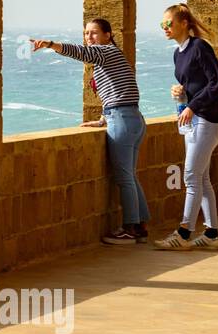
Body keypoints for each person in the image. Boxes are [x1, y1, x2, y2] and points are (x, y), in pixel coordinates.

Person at [31, 19, 149, 244]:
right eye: (86, 33)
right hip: (131, 118)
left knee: (124, 177)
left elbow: (81, 53)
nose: (89, 37)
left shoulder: (105, 52)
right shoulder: (111, 56)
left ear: (108, 35)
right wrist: (104, 119)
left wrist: (50, 44)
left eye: (94, 33)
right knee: (130, 175)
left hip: (123, 120)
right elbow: (121, 92)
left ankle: (129, 229)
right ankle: (141, 226)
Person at [152, 3, 218, 251]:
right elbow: (193, 84)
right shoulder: (178, 53)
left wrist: (193, 106)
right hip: (194, 119)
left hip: (208, 119)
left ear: (184, 23)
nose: (165, 28)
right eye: (162, 24)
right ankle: (212, 233)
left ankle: (184, 233)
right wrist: (180, 92)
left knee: (190, 176)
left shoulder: (199, 48)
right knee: (201, 177)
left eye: (169, 23)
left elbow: (216, 81)